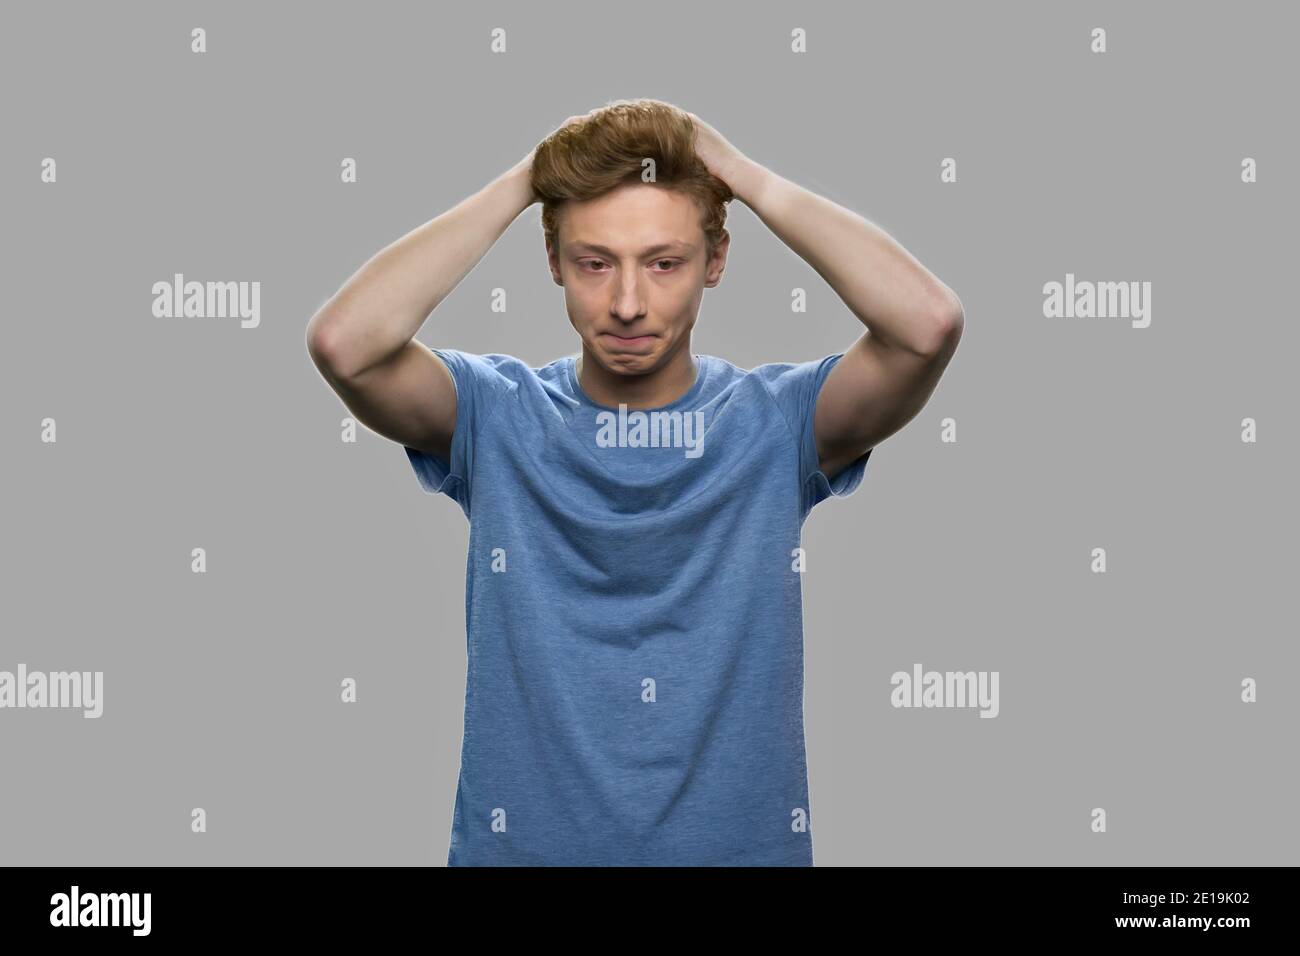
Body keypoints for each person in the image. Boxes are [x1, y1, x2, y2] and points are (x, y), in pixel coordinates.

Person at [305, 98, 963, 866]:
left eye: (663, 262)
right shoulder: (498, 415)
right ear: (552, 262)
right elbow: (344, 343)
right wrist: (528, 179)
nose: (626, 304)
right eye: (593, 263)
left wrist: (746, 177)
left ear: (716, 262)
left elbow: (928, 325)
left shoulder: (775, 424)